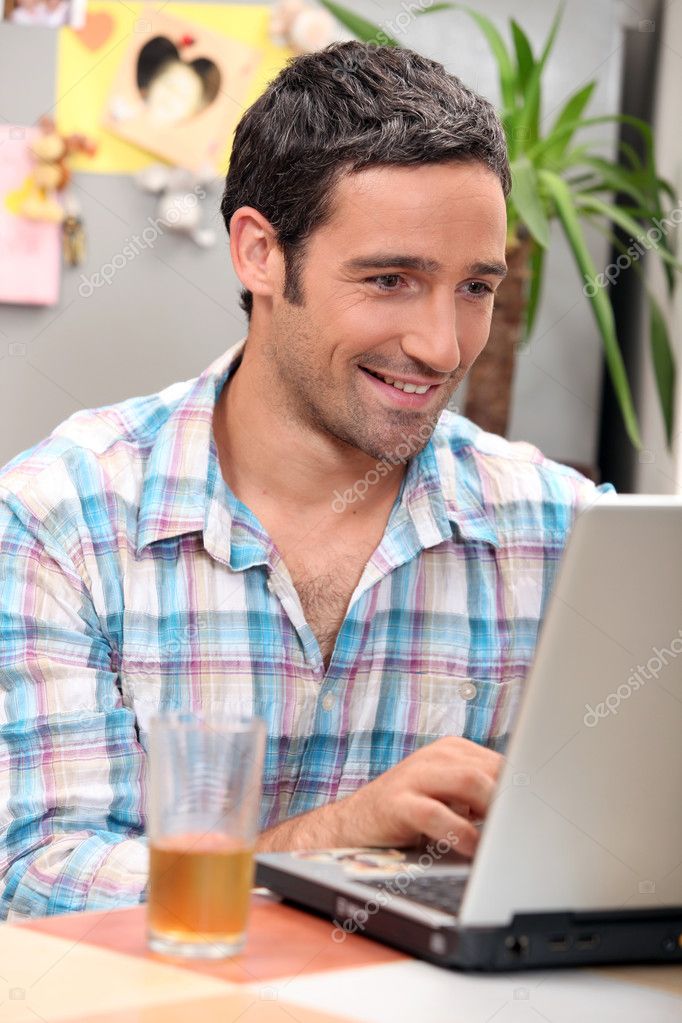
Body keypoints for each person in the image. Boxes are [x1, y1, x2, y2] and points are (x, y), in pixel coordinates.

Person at [0, 41, 613, 919]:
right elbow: (35, 879)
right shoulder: (59, 518)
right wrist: (335, 842)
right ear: (259, 253)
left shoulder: (566, 531)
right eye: (390, 279)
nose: (442, 347)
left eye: (474, 287)